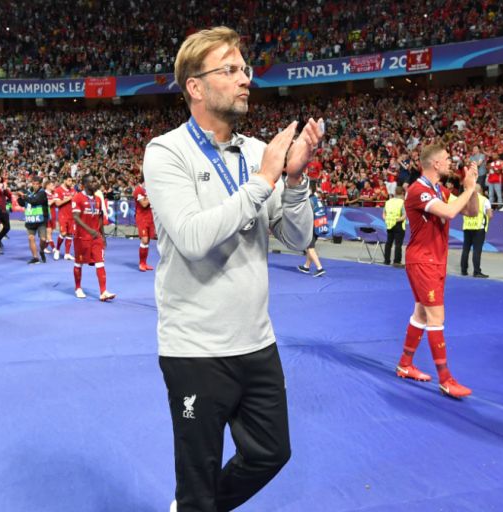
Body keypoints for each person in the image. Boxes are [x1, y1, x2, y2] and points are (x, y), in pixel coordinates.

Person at [142, 27, 322, 512]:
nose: (246, 79)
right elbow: (195, 239)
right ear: (195, 87)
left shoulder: (259, 151)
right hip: (196, 349)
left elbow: (299, 239)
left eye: (245, 69)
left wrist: (296, 178)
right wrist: (266, 179)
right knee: (198, 480)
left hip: (257, 342)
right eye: (231, 70)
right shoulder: (165, 152)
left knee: (271, 453)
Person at [393, 144, 479, 399]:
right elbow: (451, 211)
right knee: (436, 318)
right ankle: (446, 379)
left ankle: (405, 364)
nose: (451, 162)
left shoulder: (439, 190)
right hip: (423, 261)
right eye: (447, 159)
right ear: (435, 165)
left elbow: (470, 211)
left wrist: (470, 188)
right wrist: (469, 189)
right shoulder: (418, 191)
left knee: (421, 312)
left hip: (435, 260)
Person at [71, 174, 116, 301]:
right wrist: (90, 230)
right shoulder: (77, 198)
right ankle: (78, 288)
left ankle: (103, 292)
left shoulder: (98, 198)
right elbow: (75, 217)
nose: (96, 183)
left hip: (96, 237)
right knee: (79, 263)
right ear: (85, 185)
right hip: (81, 237)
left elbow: (100, 217)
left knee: (100, 262)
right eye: (92, 181)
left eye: (96, 180)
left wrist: (103, 236)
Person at [460, 184, 491, 278]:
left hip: (467, 227)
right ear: (480, 190)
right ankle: (476, 271)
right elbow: (490, 214)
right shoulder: (484, 200)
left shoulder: (465, 199)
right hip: (479, 228)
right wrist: (487, 219)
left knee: (466, 249)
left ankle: (464, 270)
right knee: (477, 251)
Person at [298, 182, 327, 277]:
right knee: (311, 247)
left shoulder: (309, 200)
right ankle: (306, 266)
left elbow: (306, 215)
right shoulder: (317, 199)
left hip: (312, 226)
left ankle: (320, 268)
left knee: (310, 248)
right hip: (319, 224)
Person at [20, 177, 50, 264]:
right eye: (33, 183)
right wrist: (20, 198)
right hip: (30, 219)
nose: (34, 185)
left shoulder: (42, 193)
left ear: (40, 184)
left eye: (36, 184)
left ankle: (41, 250)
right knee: (31, 237)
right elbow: (22, 203)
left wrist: (24, 197)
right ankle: (35, 257)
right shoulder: (28, 192)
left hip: (41, 220)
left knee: (43, 239)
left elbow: (35, 201)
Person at [133, 174, 155, 271]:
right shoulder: (138, 190)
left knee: (148, 241)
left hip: (150, 217)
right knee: (144, 240)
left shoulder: (148, 190)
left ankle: (144, 263)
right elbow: (144, 203)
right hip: (141, 218)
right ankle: (141, 263)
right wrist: (152, 195)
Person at [53, 176, 77, 261]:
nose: (71, 182)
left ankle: (67, 254)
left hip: (72, 216)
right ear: (64, 180)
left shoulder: (73, 190)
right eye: (69, 180)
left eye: (71, 181)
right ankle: (57, 250)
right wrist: (68, 199)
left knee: (70, 234)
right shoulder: (58, 190)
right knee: (63, 233)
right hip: (63, 215)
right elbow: (57, 203)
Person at [383, 185, 406, 266]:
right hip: (398, 224)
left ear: (395, 192)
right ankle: (396, 261)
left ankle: (386, 260)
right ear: (402, 193)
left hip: (389, 224)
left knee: (388, 242)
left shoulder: (388, 201)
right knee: (398, 244)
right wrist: (396, 220)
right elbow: (404, 216)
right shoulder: (402, 202)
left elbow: (384, 214)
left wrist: (388, 220)